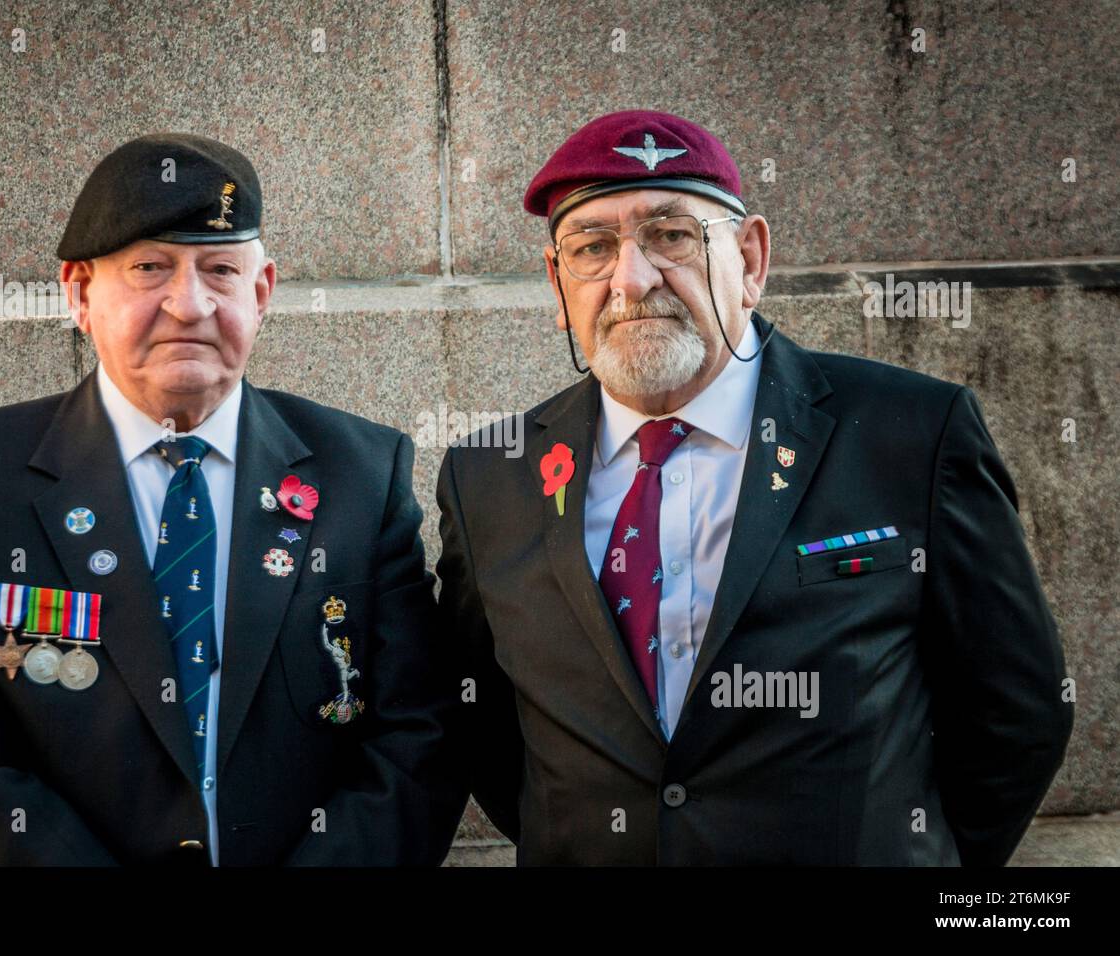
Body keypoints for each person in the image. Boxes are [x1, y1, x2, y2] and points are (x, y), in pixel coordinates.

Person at [436, 110, 1072, 865]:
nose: (631, 279)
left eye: (671, 235)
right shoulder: (489, 478)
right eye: (593, 248)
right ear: (557, 282)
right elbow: (480, 726)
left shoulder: (913, 435)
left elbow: (1017, 711)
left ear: (751, 258)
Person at [0, 133, 464, 865]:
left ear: (262, 292)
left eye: (219, 270)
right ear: (79, 293)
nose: (188, 305)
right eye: (149, 268)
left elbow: (420, 740)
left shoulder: (361, 474)